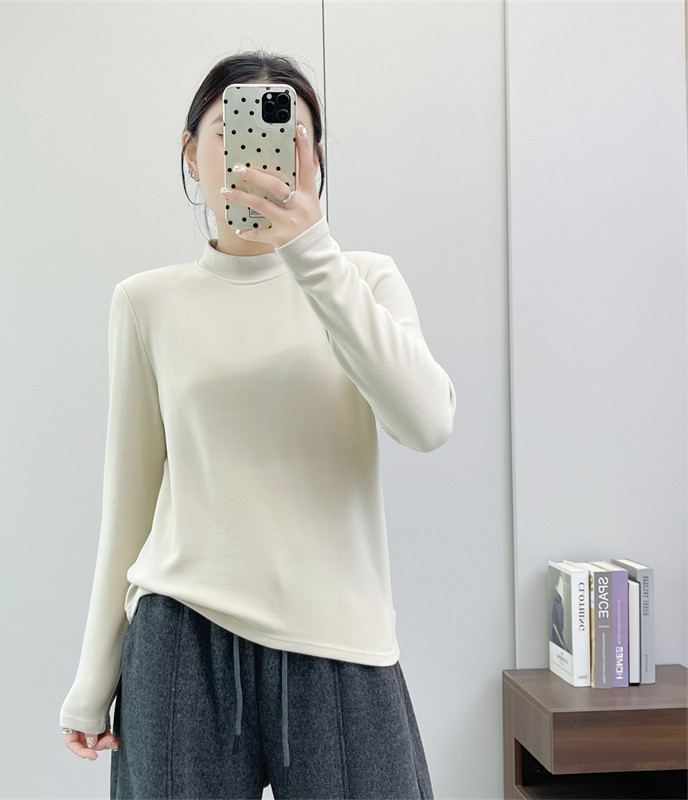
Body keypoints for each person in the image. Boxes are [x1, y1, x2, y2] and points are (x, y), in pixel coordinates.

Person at [60, 49, 456, 799]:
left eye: (289, 132)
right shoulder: (147, 303)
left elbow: (427, 421)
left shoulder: (363, 279)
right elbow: (130, 504)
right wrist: (92, 679)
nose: (257, 151)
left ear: (314, 157)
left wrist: (312, 254)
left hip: (340, 640)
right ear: (191, 152)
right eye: (229, 129)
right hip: (182, 638)